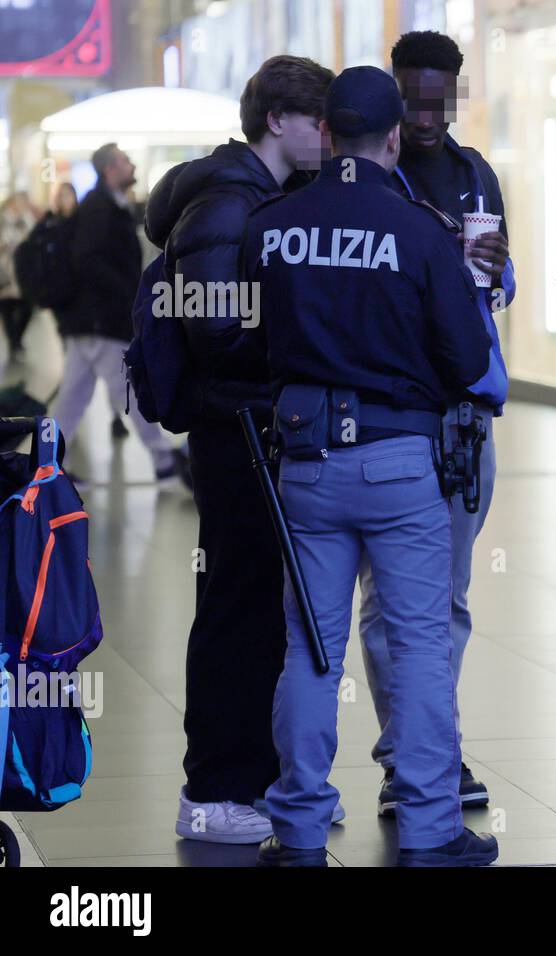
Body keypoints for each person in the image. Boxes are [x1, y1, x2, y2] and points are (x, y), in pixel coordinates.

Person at [243, 65, 496, 867]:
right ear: (393, 136)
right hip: (399, 464)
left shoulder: (270, 225)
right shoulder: (419, 230)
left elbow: (245, 344)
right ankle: (430, 829)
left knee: (310, 649)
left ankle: (301, 831)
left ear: (324, 132)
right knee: (419, 643)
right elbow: (465, 359)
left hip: (306, 465)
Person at [145, 54, 335, 845]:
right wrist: (306, 343)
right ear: (277, 122)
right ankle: (213, 788)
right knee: (234, 606)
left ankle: (253, 778)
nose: (327, 136)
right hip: (235, 434)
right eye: (316, 120)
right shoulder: (224, 207)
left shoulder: (262, 197)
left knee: (262, 609)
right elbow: (219, 332)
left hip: (258, 426)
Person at [357, 29, 515, 817]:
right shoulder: (368, 177)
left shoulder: (474, 171)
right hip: (393, 411)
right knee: (391, 600)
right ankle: (406, 757)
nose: (424, 115)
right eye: (411, 98)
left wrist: (495, 269)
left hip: (463, 413)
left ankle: (434, 747)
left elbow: (500, 280)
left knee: (446, 597)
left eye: (437, 99)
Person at [53, 143, 183, 481]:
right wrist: (128, 293)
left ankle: (48, 464)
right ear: (111, 169)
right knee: (129, 388)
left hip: (92, 320)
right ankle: (163, 462)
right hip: (102, 320)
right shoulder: (100, 208)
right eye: (125, 161)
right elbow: (88, 259)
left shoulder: (109, 205)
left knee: (73, 397)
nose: (131, 165)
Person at [0, 192, 38, 359]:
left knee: (27, 307)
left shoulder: (27, 220)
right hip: (5, 272)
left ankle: (17, 339)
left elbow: (33, 242)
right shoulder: (3, 221)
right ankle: (14, 342)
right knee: (7, 308)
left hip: (23, 272)